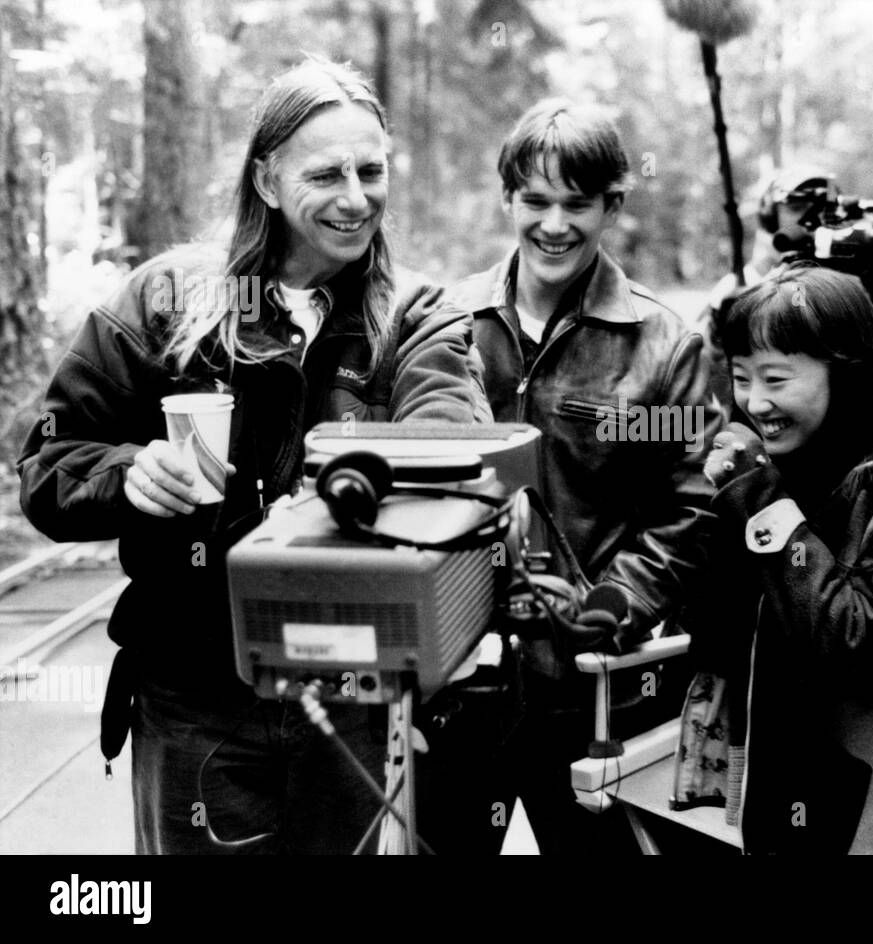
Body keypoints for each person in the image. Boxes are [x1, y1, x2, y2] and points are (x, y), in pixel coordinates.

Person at [18, 57, 490, 854]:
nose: (355, 197)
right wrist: (128, 474)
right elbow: (50, 464)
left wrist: (370, 469)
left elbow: (451, 444)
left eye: (371, 171)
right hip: (195, 696)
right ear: (267, 180)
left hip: (357, 694)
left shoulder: (417, 315)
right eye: (326, 174)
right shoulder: (164, 302)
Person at [417, 97, 721, 854]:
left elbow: (692, 505)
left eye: (578, 204)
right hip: (455, 680)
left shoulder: (664, 344)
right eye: (536, 200)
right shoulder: (446, 323)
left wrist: (620, 599)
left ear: (611, 204)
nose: (555, 224)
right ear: (507, 199)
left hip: (590, 687)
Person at [674, 266, 873, 854]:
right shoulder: (794, 459)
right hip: (793, 783)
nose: (754, 402)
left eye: (776, 379)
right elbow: (717, 638)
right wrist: (726, 514)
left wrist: (763, 505)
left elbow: (851, 644)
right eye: (741, 378)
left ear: (845, 372)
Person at [695, 165, 833, 411]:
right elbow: (698, 366)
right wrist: (720, 331)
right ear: (771, 216)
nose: (811, 218)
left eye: (822, 208)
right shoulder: (742, 283)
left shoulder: (847, 278)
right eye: (797, 207)